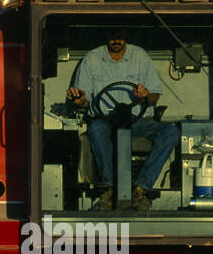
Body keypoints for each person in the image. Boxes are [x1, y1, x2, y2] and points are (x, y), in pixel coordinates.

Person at [66, 28, 179, 211]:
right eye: (113, 36)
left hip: (136, 121)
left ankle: (141, 187)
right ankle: (110, 188)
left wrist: (144, 96)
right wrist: (79, 100)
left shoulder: (140, 57)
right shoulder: (92, 59)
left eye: (120, 37)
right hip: (106, 121)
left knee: (171, 131)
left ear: (126, 37)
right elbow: (84, 101)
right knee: (96, 129)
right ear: (106, 37)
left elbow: (154, 97)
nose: (116, 41)